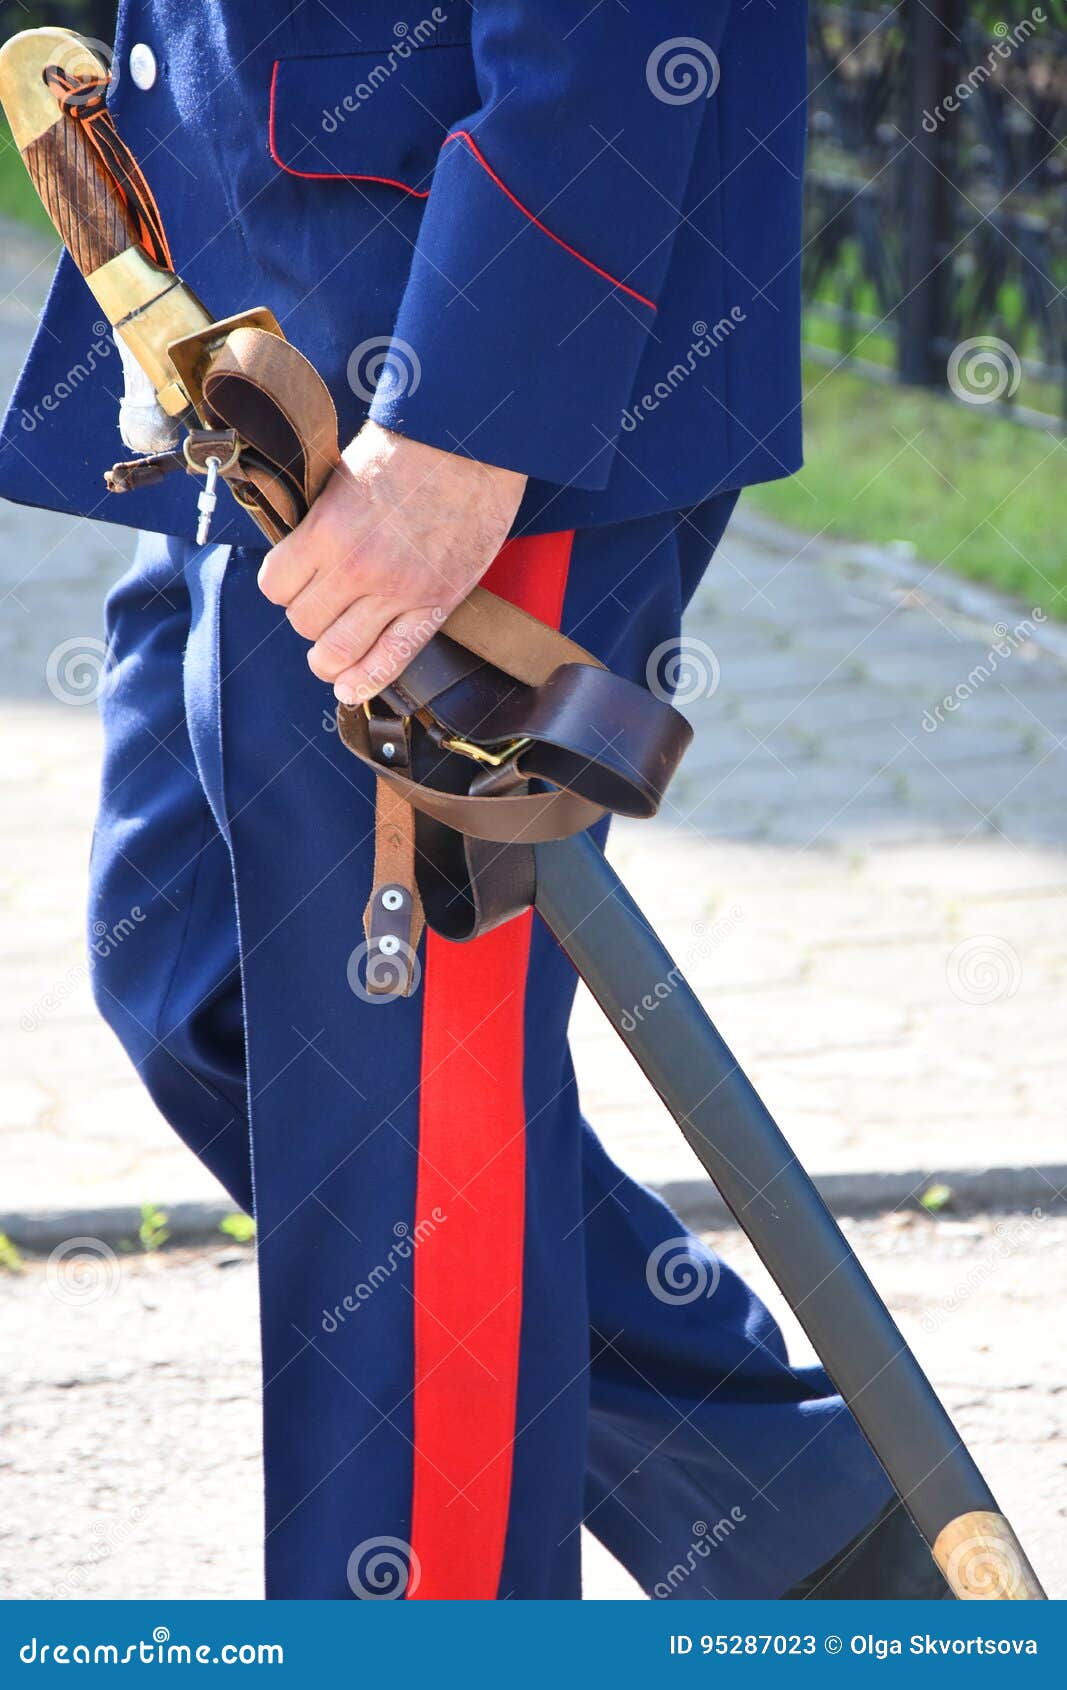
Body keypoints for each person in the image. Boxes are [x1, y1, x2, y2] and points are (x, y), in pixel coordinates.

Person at [0, 1, 948, 1600]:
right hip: (251, 323)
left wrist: (460, 424)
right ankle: (792, 1522)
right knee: (205, 987)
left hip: (455, 352)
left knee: (404, 1104)